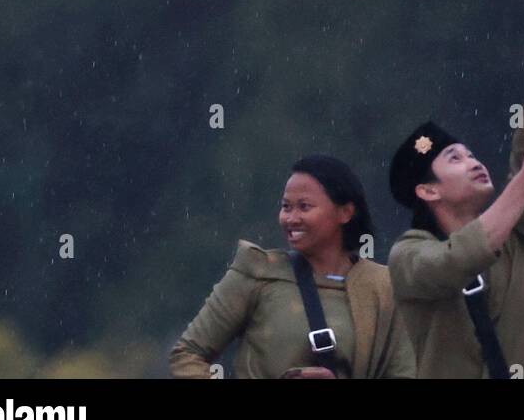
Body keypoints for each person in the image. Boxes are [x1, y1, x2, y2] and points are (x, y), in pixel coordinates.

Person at [387, 0, 524, 379]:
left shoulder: (519, 236)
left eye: (470, 153)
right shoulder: (407, 256)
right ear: (427, 191)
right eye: (454, 158)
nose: (473, 161)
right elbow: (457, 262)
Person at [169, 153, 415, 379]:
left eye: (304, 207)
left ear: (345, 212)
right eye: (286, 207)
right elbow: (188, 353)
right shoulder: (258, 272)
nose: (291, 218)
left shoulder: (384, 288)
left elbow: (404, 373)